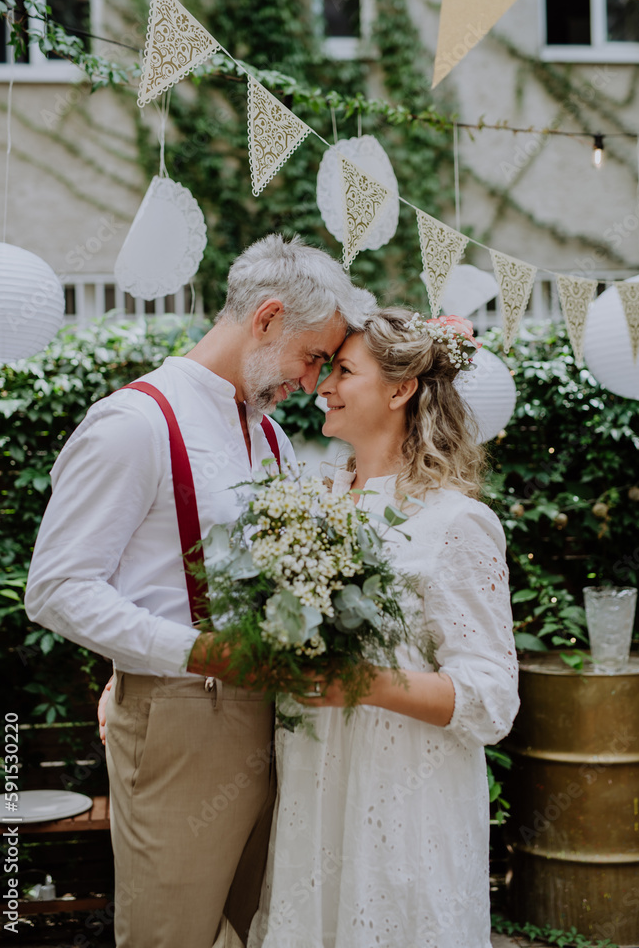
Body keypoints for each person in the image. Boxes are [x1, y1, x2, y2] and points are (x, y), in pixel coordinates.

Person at [25, 233, 376, 948]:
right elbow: (57, 588)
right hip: (183, 717)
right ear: (268, 318)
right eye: (314, 357)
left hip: (279, 718)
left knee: (257, 926)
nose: (313, 382)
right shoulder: (133, 424)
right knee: (173, 932)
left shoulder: (269, 437)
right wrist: (191, 653)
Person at [247, 307, 520, 948]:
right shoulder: (307, 505)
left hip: (404, 803)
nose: (323, 386)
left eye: (344, 371)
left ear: (401, 390)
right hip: (311, 786)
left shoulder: (454, 523)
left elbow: (492, 699)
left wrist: (365, 683)